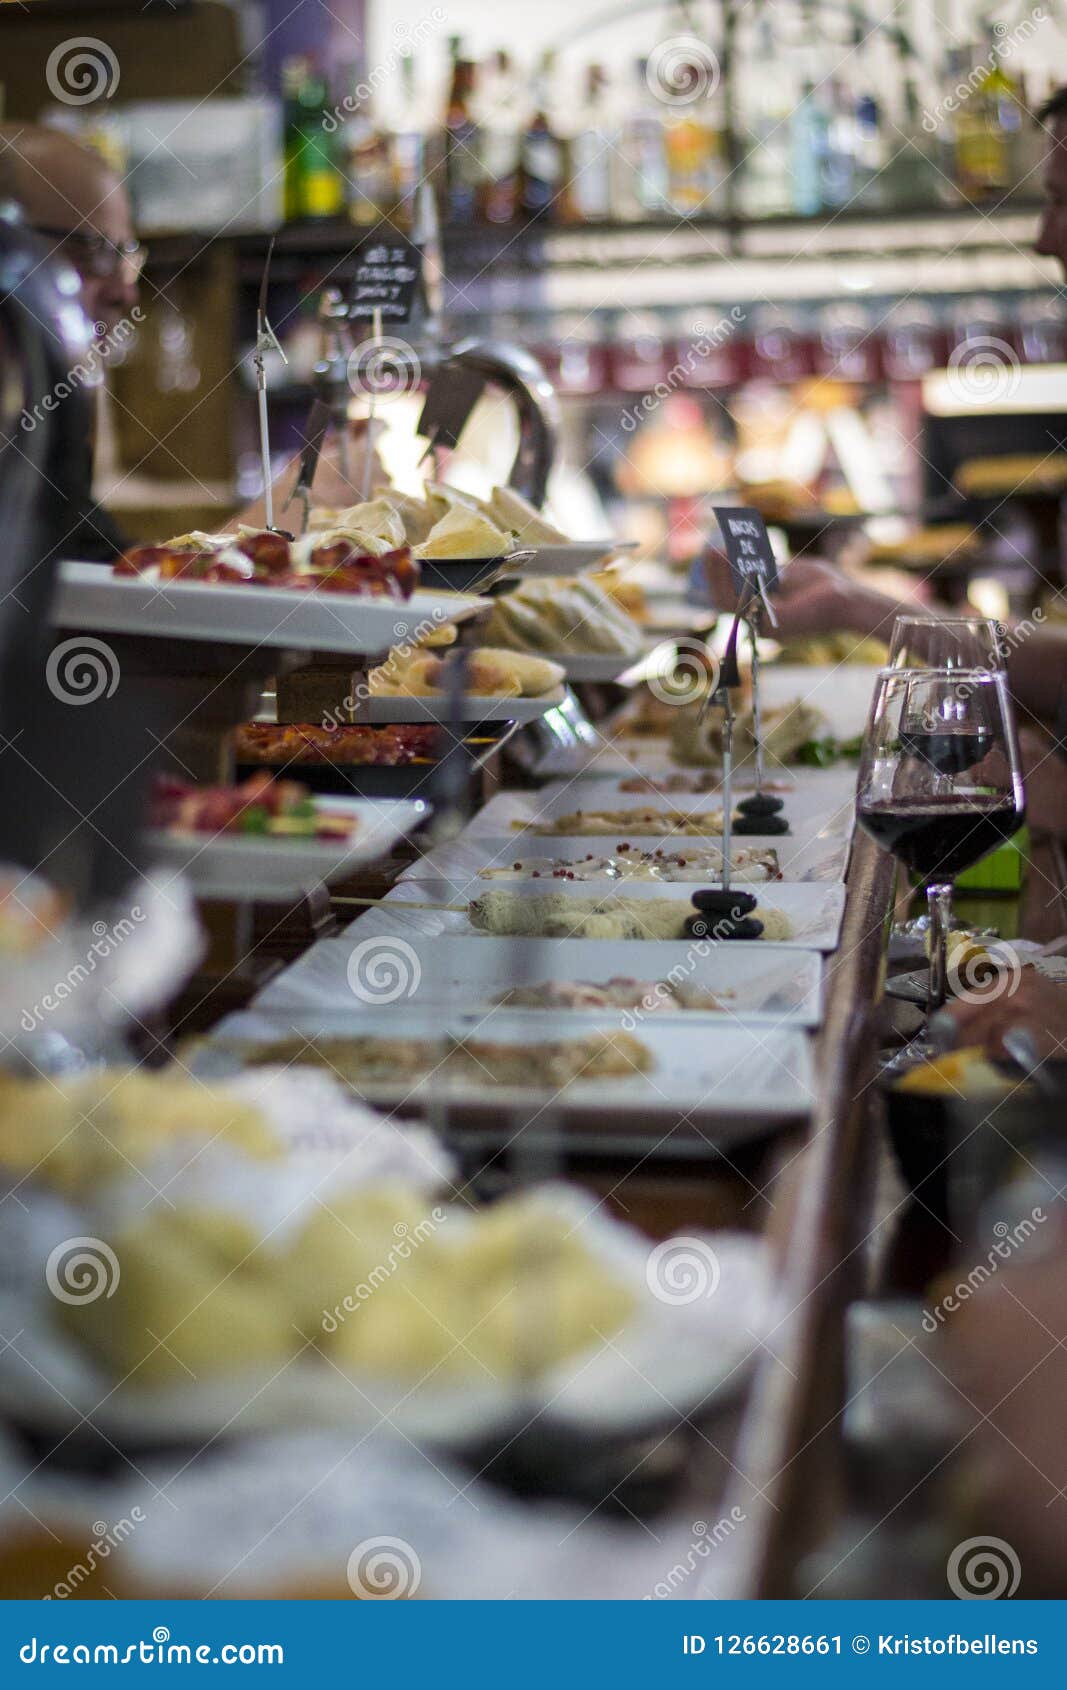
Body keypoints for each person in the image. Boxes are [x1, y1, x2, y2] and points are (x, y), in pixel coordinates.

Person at [0, 124, 379, 559]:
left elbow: (114, 577)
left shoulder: (41, 422)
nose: (126, 293)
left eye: (124, 257)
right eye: (93, 251)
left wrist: (288, 506)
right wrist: (291, 509)